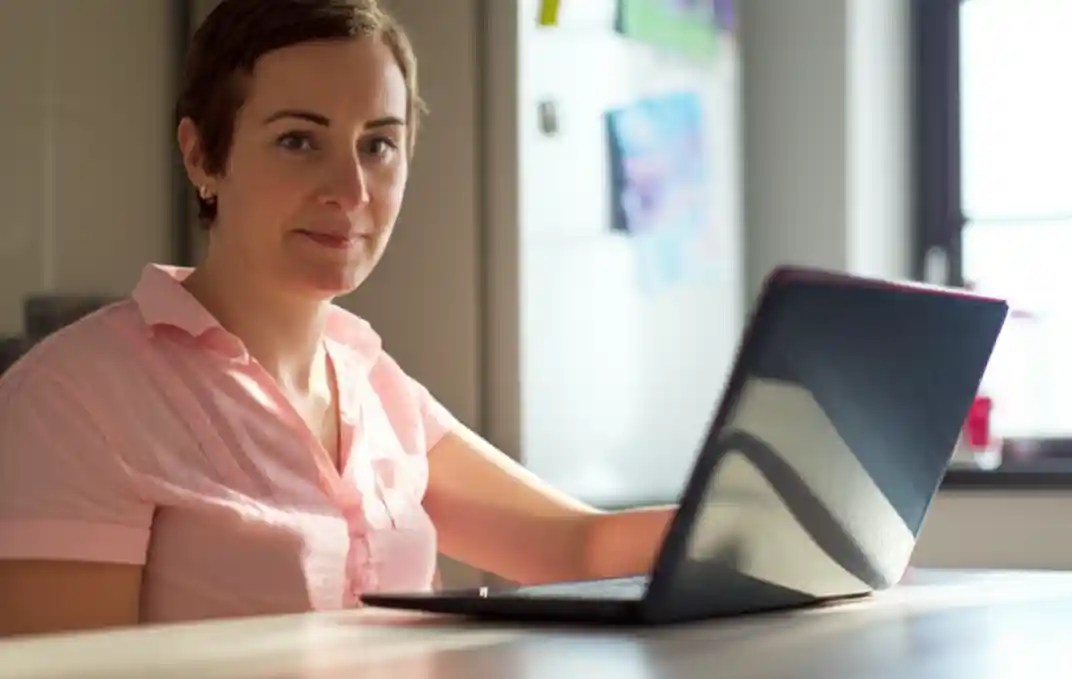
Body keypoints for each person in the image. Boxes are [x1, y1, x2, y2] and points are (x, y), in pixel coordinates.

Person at [0, 0, 674, 637]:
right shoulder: (74, 399)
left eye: (378, 145)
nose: (351, 192)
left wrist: (756, 510)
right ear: (202, 155)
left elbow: (580, 547)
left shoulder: (376, 387)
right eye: (299, 141)